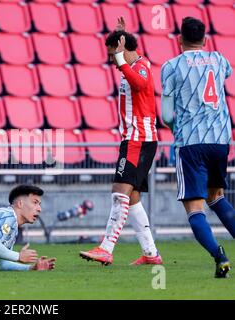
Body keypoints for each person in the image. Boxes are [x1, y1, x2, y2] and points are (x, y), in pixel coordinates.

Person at [79, 19, 162, 266]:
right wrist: (120, 37)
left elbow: (140, 84)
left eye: (113, 55)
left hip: (139, 139)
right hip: (133, 139)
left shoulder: (141, 66)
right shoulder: (131, 66)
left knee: (119, 192)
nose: (112, 62)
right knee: (132, 197)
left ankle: (106, 248)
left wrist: (121, 59)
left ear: (123, 51)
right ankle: (151, 254)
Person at [161, 17, 234, 278]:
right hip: (220, 140)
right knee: (217, 196)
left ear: (179, 40)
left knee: (195, 208)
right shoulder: (219, 59)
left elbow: (166, 115)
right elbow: (226, 73)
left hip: (191, 142)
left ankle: (219, 255)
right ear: (205, 40)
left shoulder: (171, 67)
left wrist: (176, 128)